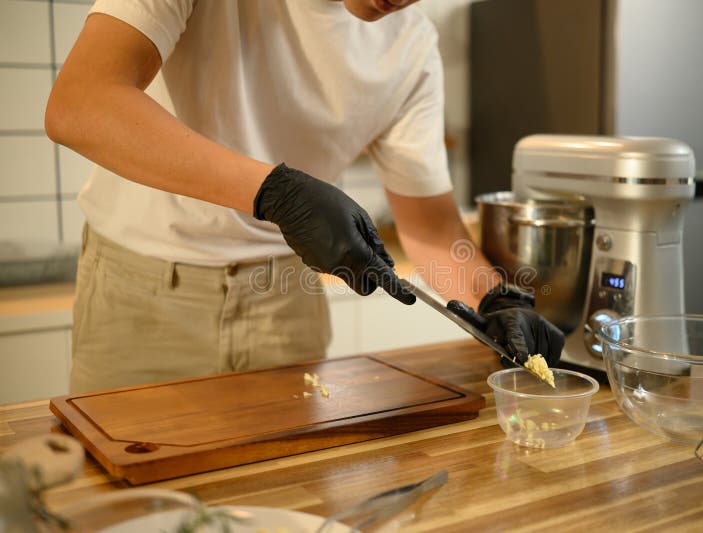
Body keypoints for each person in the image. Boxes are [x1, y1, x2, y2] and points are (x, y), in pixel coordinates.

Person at [45, 0, 564, 394]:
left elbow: (429, 230)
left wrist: (494, 298)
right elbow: (81, 103)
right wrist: (275, 192)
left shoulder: (412, 46)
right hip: (139, 297)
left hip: (285, 302)